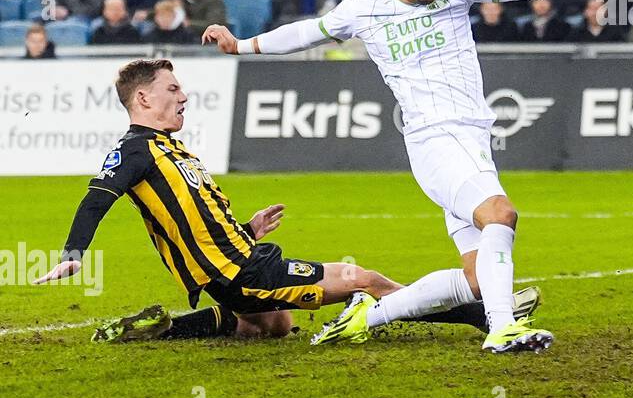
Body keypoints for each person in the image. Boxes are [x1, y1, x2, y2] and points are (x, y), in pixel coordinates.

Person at [202, 0, 556, 354]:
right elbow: (306, 32)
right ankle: (502, 330)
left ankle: (368, 314)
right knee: (501, 214)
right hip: (436, 140)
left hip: (471, 140)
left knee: (478, 279)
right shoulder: (365, 9)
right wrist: (241, 45)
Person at [33, 58, 408, 341]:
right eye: (173, 89)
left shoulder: (169, 149)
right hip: (241, 274)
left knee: (275, 325)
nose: (184, 96)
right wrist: (73, 254)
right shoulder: (136, 151)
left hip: (240, 263)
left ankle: (161, 330)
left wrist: (249, 229)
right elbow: (96, 199)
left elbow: (197, 226)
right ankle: (458, 308)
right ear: (143, 97)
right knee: (364, 279)